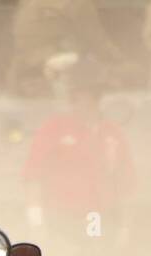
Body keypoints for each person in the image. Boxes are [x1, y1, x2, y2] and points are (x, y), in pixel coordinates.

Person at [22, 63, 135, 242]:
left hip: (96, 215)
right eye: (85, 94)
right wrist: (36, 222)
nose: (92, 100)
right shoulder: (55, 129)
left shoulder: (111, 133)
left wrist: (125, 226)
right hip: (60, 214)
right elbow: (33, 176)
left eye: (97, 94)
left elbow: (125, 182)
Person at [7, 0, 129, 97]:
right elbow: (98, 42)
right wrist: (124, 63)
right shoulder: (78, 3)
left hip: (19, 76)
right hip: (53, 79)